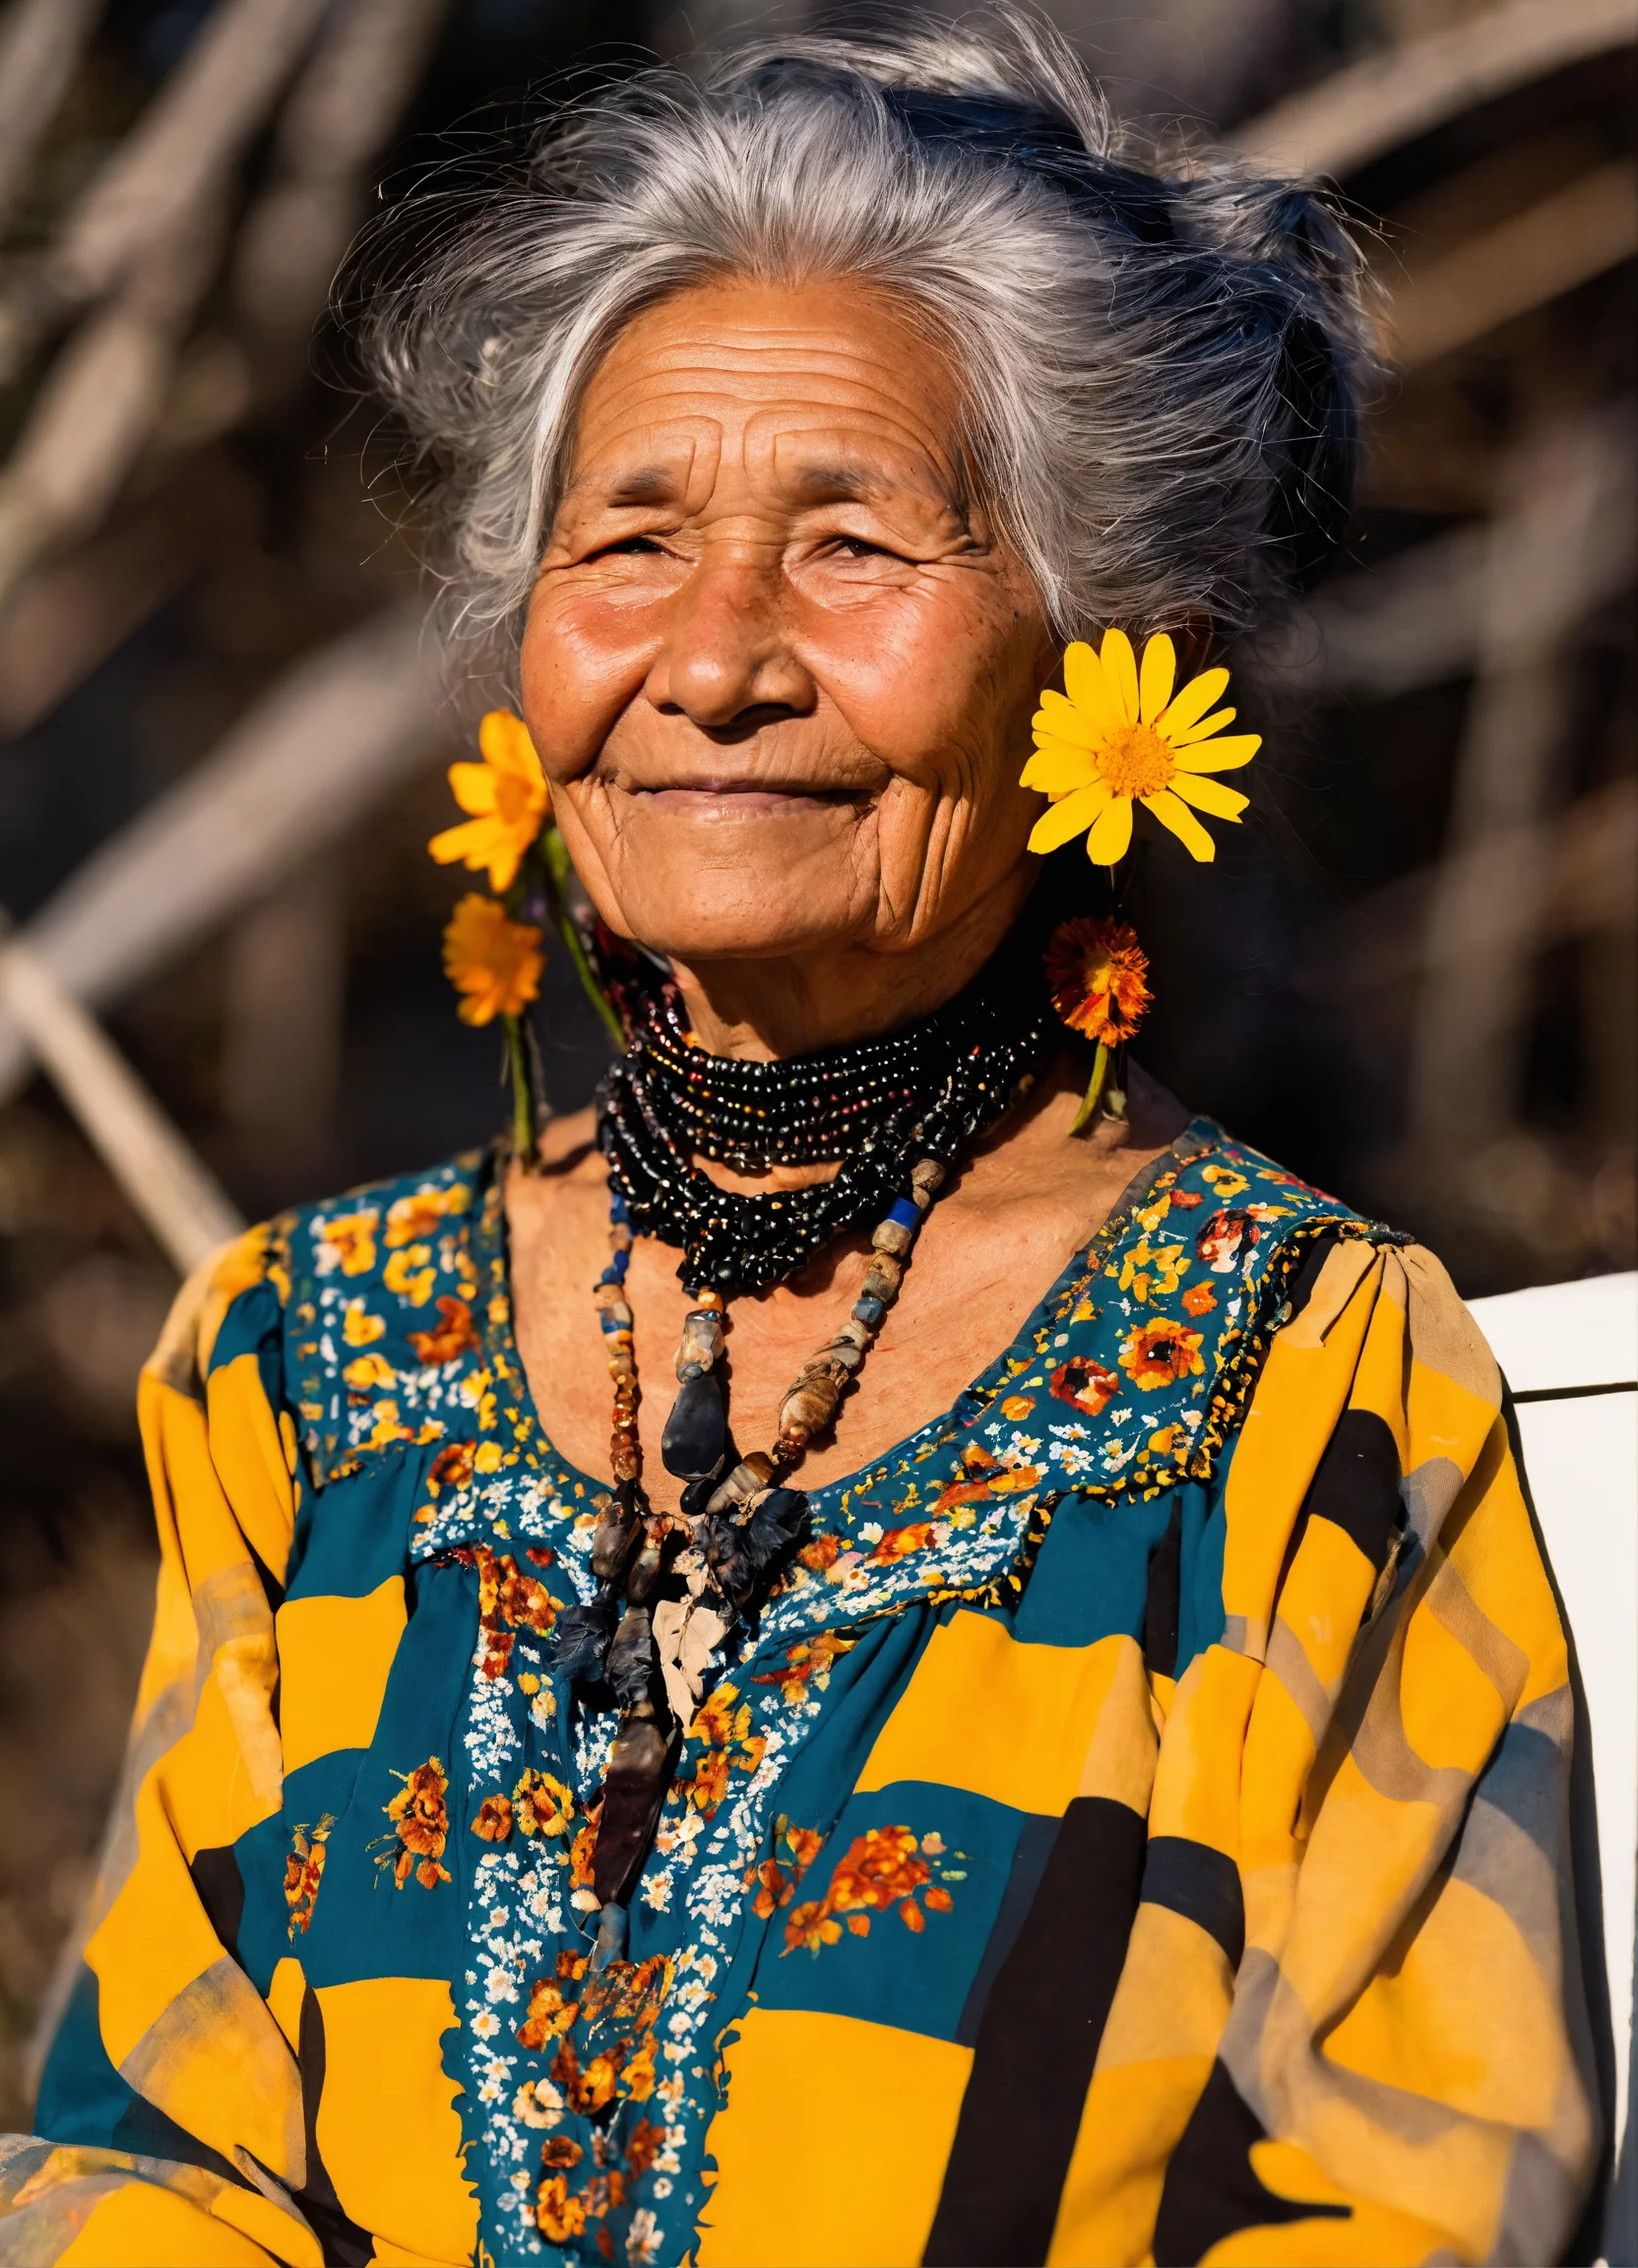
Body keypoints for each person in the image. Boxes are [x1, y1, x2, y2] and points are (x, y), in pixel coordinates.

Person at [3, 15, 1601, 2266]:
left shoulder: (1299, 1390)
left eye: (852, 544)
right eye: (627, 542)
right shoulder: (296, 1368)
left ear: (1102, 648)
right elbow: (149, 2160)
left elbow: (1418, 2199)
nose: (713, 659)